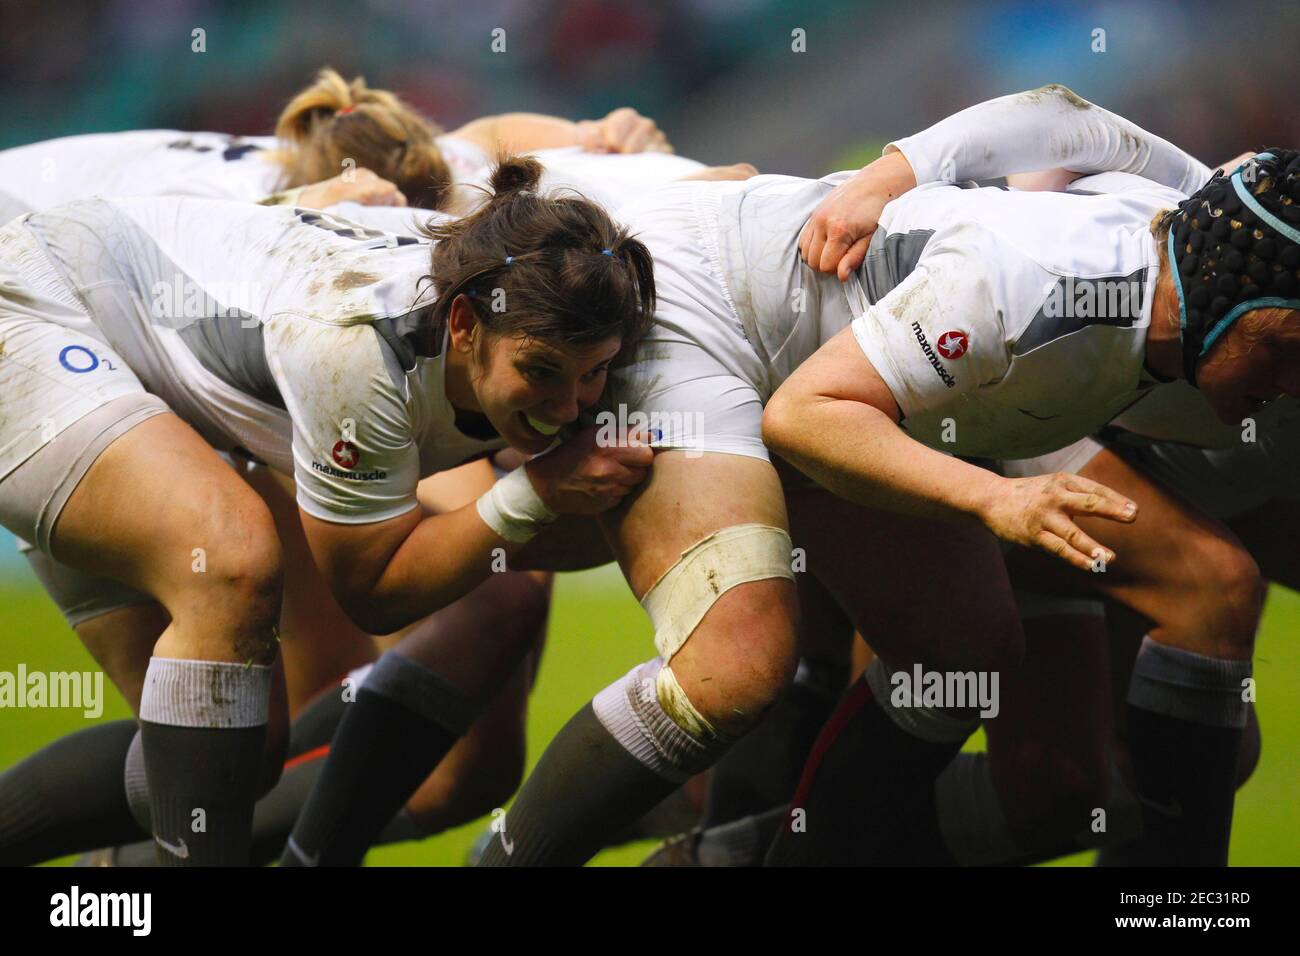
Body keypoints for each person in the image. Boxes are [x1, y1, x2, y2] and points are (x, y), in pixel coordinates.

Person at [0, 157, 655, 865]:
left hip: (119, 345)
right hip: (37, 306)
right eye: (541, 373)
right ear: (464, 326)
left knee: (241, 755)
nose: (568, 408)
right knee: (228, 557)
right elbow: (372, 594)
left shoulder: (558, 287)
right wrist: (535, 494)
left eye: (591, 376)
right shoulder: (358, 344)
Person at [759, 143, 1300, 865]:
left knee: (1062, 787)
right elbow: (1062, 114)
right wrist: (900, 168)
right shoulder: (1074, 283)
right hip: (948, 418)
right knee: (1211, 588)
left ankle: (728, 850)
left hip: (1035, 434)